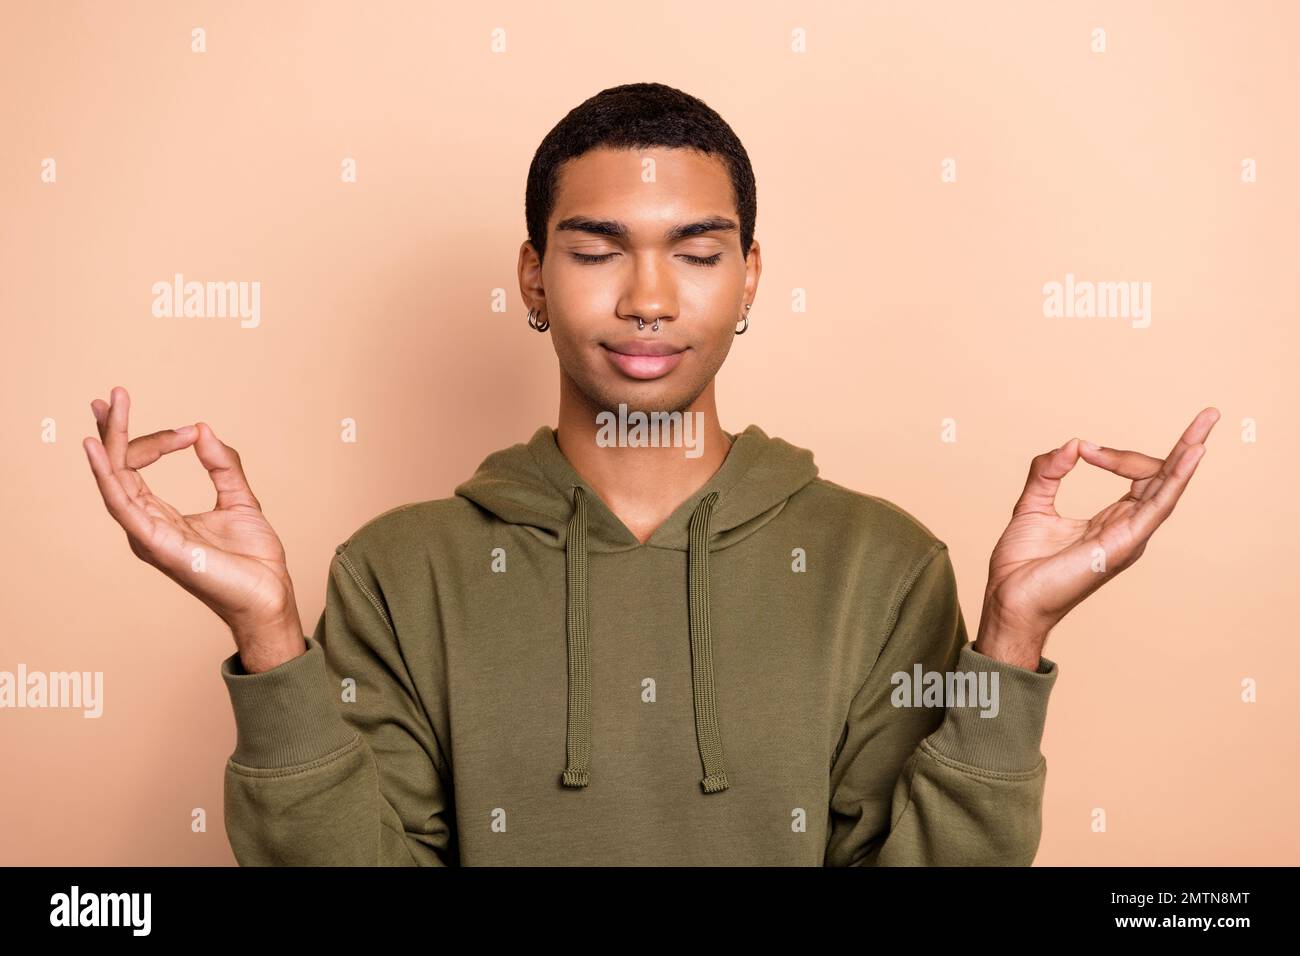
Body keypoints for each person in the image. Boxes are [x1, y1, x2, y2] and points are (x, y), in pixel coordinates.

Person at [83, 82, 1218, 866]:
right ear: (531, 279)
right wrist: (271, 636)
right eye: (593, 250)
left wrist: (1010, 639)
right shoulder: (400, 568)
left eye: (696, 250)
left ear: (750, 278)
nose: (647, 298)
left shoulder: (882, 562)